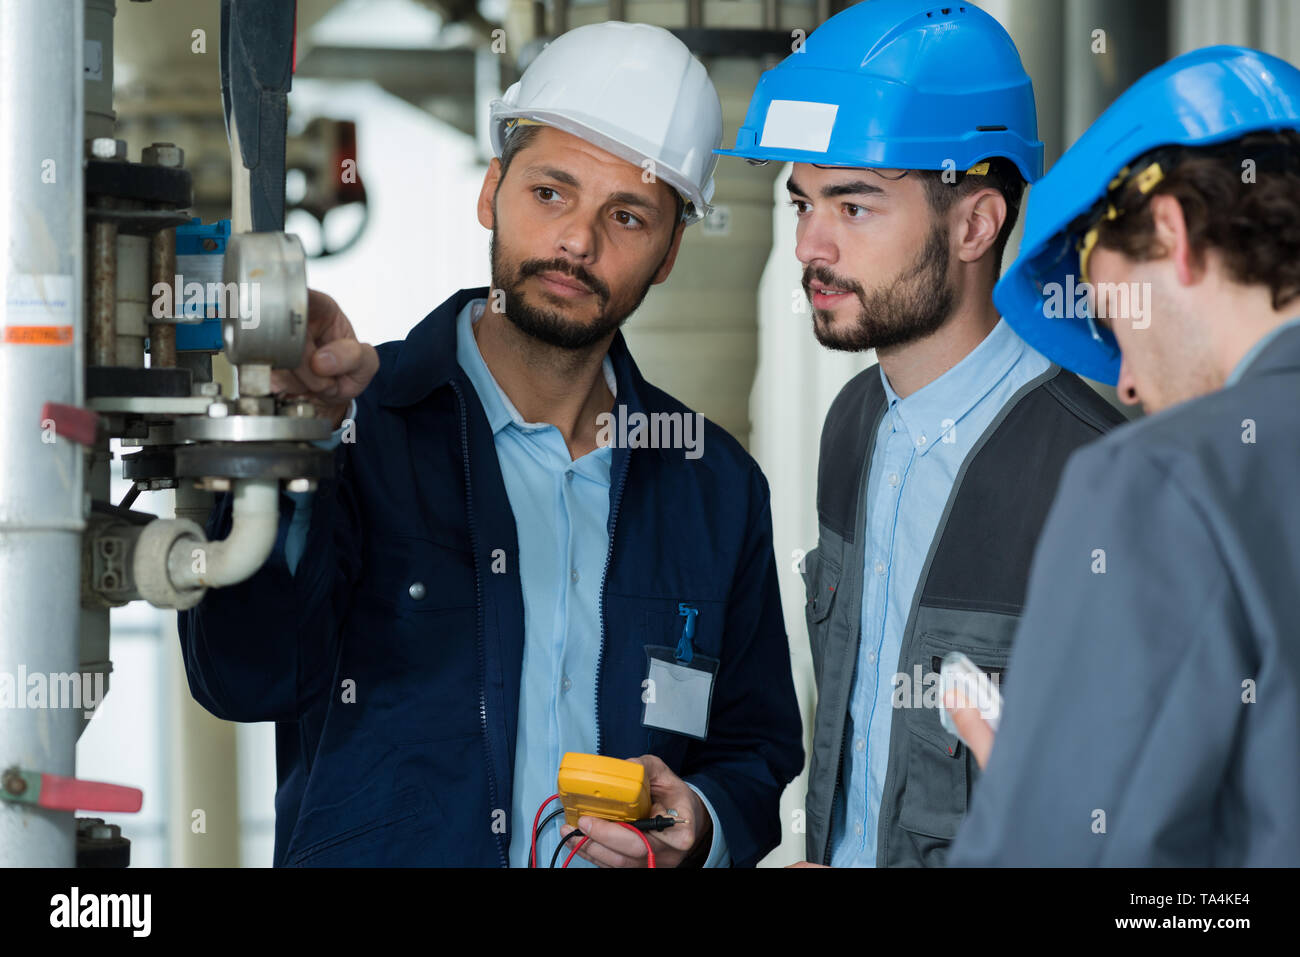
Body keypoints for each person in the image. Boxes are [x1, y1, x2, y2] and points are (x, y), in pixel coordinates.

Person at [178, 20, 803, 868]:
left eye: (627, 215)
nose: (578, 242)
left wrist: (701, 815)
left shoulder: (716, 487)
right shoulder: (358, 426)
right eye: (551, 193)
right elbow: (243, 677)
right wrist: (294, 449)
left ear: (667, 253)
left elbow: (754, 745)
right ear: (492, 191)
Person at [716, 0, 1126, 867]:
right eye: (803, 203)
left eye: (854, 206)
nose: (810, 245)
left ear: (975, 223)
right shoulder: (854, 426)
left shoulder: (1102, 479)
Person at [945, 44, 1300, 866]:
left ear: (1173, 231)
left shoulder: (1165, 479)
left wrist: (1030, 804)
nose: (1130, 385)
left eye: (1111, 317)